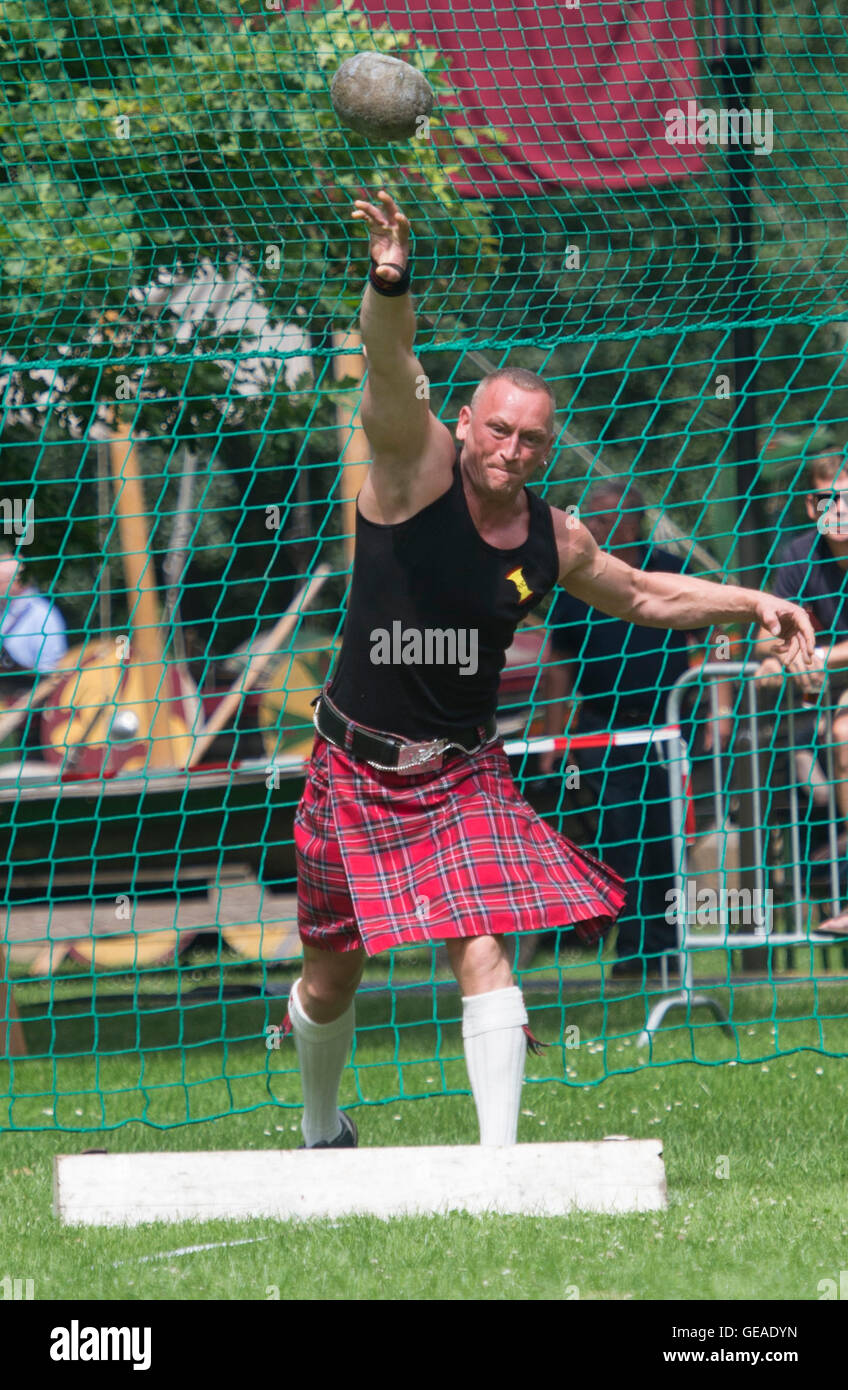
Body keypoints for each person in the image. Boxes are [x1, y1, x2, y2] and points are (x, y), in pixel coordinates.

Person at [284, 188, 815, 1150]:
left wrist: (754, 601)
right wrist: (390, 273)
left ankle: (501, 1171)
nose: (511, 448)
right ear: (467, 422)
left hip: (460, 770)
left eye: (531, 436)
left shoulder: (551, 534)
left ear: (544, 441)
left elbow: (645, 595)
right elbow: (387, 364)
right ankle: (322, 1130)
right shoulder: (411, 466)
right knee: (332, 971)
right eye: (497, 429)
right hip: (353, 766)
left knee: (481, 941)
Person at [540, 480, 717, 977]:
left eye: (602, 518)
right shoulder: (576, 580)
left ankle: (663, 950)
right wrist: (556, 739)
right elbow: (558, 663)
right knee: (621, 839)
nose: (593, 526)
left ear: (632, 520)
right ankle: (635, 953)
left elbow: (714, 633)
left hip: (669, 731)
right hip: (603, 732)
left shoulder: (669, 569)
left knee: (665, 840)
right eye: (591, 518)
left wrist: (717, 706)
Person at [756, 450, 848, 934]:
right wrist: (781, 657)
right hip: (809, 717)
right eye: (826, 498)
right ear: (812, 505)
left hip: (835, 709)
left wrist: (818, 658)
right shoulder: (797, 555)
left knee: (845, 730)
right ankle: (818, 890)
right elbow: (764, 633)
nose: (837, 508)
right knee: (791, 780)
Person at [0, 553, 68, 760]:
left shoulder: (43, 616)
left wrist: (13, 715)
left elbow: (53, 678)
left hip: (32, 717)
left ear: (16, 581)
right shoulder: (3, 612)